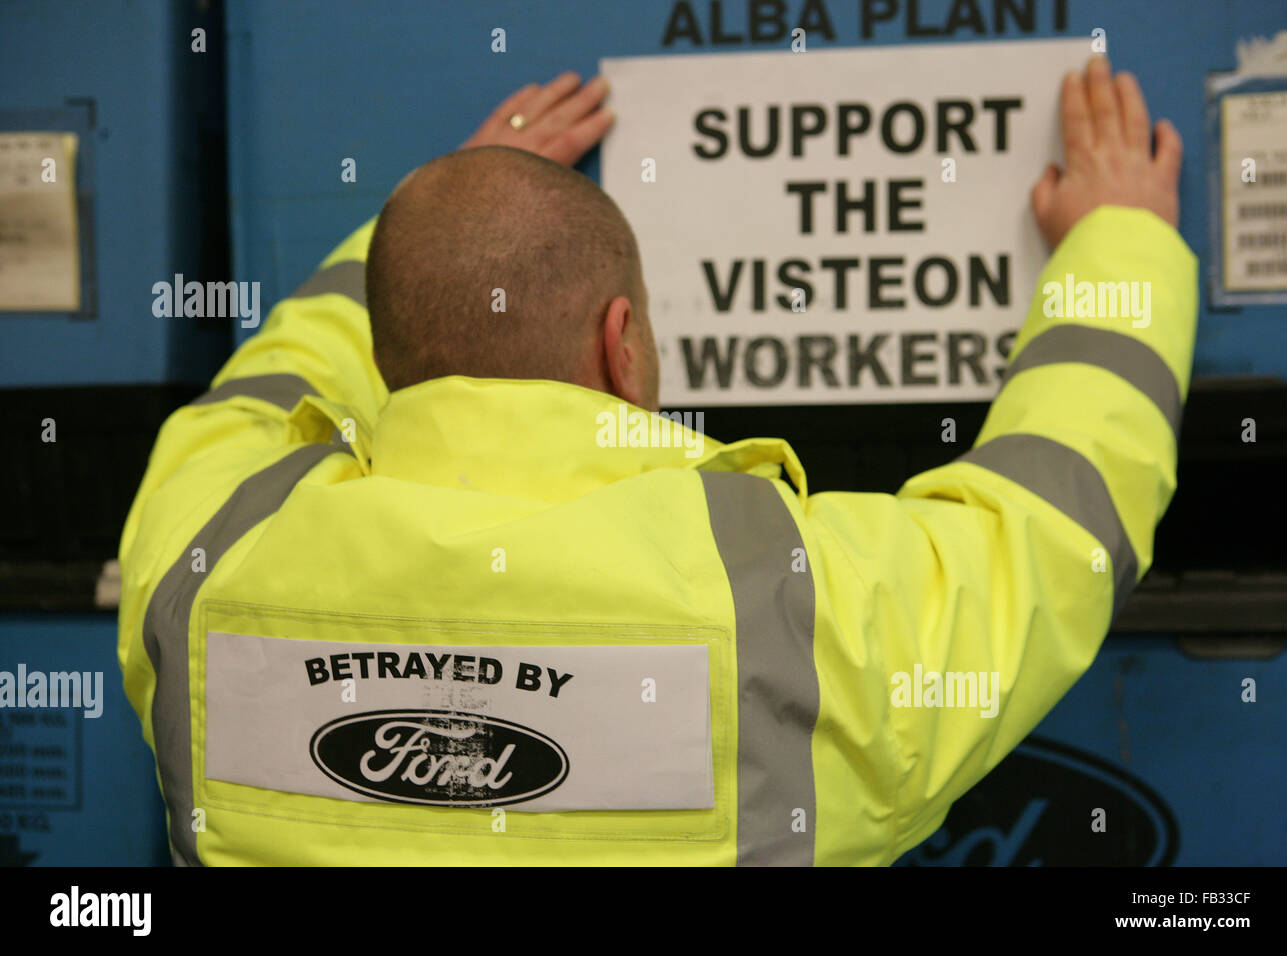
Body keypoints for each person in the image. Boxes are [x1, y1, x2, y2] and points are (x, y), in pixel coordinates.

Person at [118, 59, 1194, 866]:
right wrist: (1119, 243)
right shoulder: (795, 609)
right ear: (620, 343)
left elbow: (257, 393)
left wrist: (445, 215)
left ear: (384, 353)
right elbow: (1054, 516)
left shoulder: (203, 559)